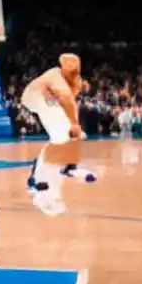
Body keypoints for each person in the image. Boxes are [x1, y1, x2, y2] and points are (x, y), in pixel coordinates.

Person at [21, 53, 97, 216]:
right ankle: (39, 181)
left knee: (66, 136)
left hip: (48, 99)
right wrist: (74, 124)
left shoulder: (73, 80)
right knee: (62, 134)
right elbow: (68, 103)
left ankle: (68, 167)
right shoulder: (59, 82)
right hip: (36, 98)